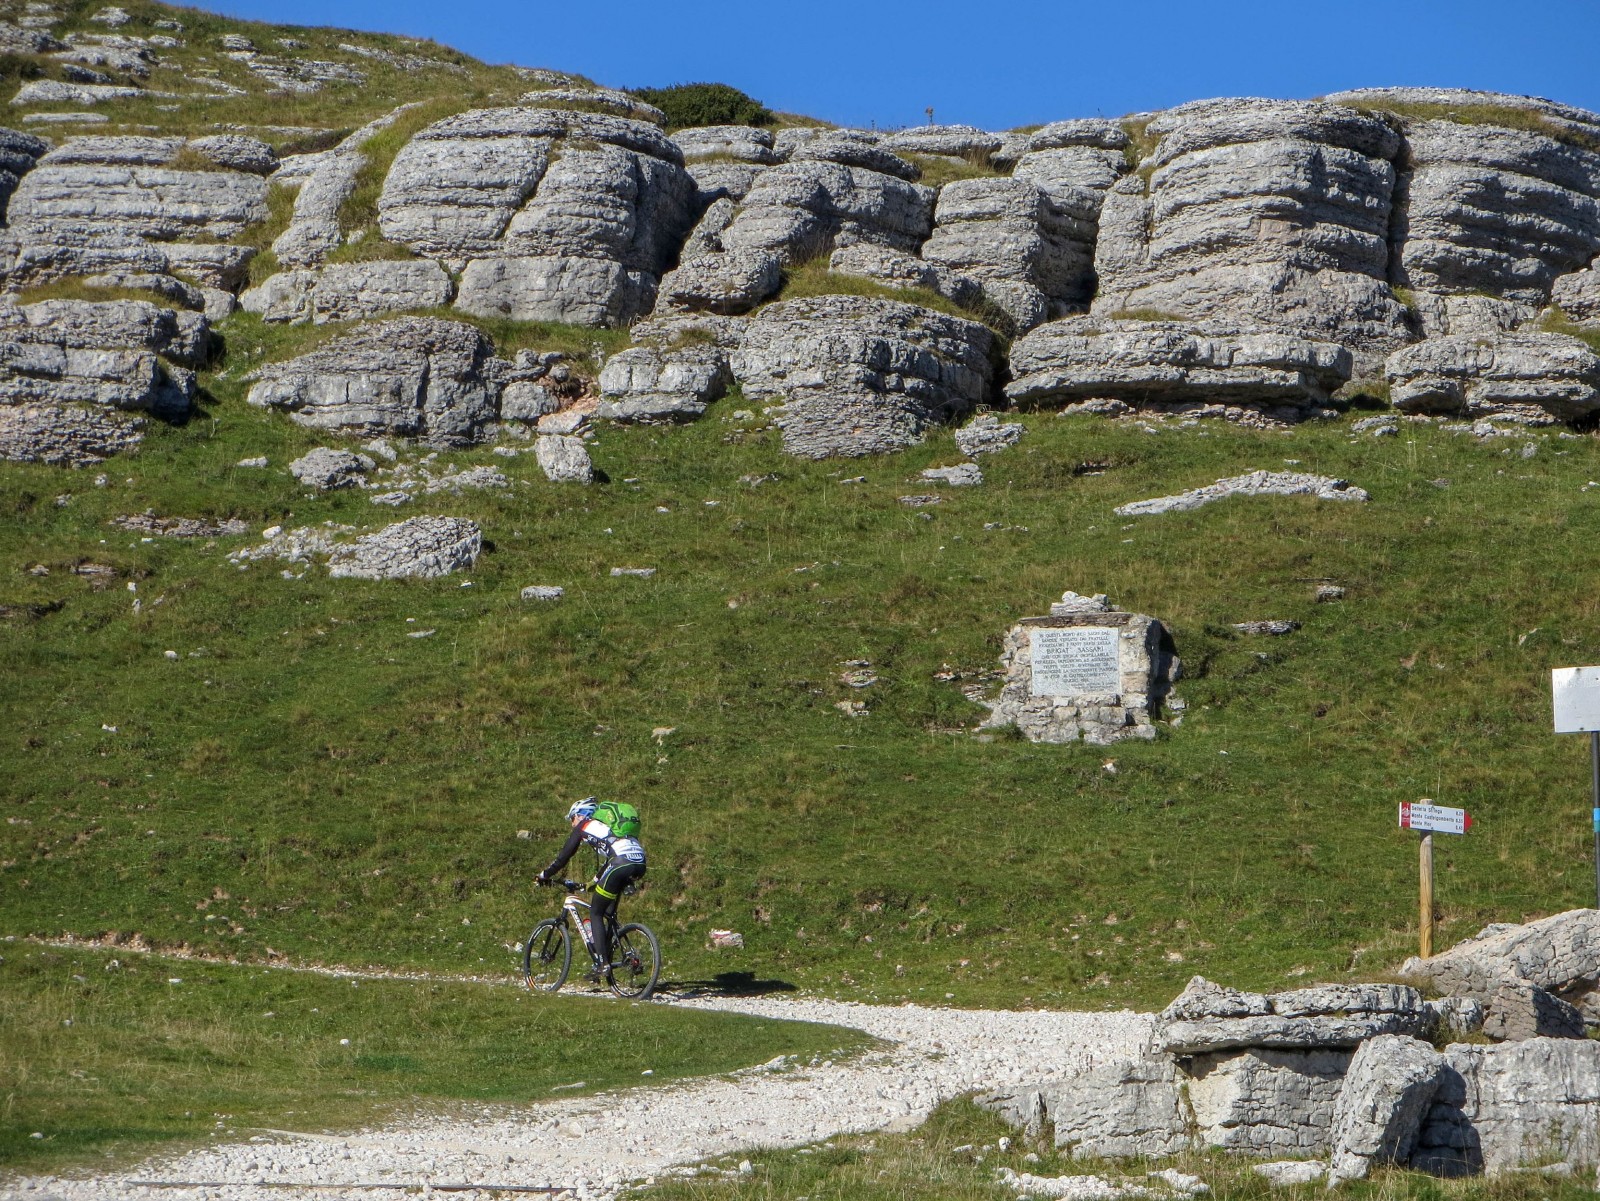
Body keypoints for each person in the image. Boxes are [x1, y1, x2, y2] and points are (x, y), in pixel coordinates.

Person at [535, 797, 646, 981]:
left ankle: (602, 964)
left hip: (619, 863)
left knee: (595, 912)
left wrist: (544, 874)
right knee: (607, 913)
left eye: (572, 818)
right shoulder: (609, 829)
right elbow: (610, 858)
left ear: (580, 815)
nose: (572, 824)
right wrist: (591, 882)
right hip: (639, 862)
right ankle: (614, 956)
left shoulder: (585, 825)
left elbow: (564, 856)